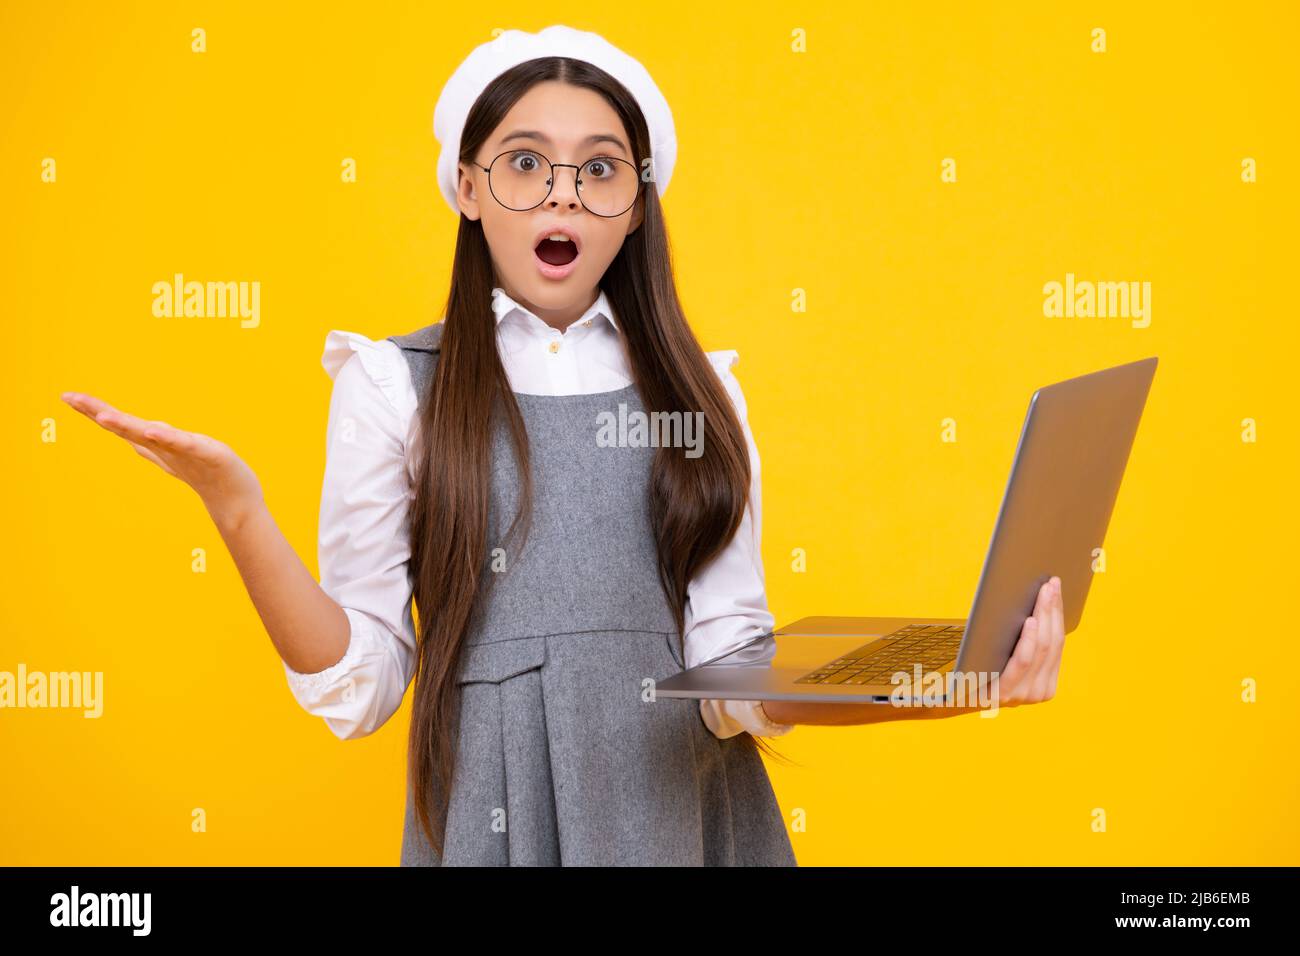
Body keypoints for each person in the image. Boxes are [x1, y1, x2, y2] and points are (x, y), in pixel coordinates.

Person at [60, 25, 1065, 866]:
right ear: (466, 185)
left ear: (634, 207)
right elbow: (360, 685)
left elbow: (735, 677)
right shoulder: (390, 385)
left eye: (599, 169)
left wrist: (944, 676)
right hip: (497, 818)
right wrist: (237, 510)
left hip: (690, 817)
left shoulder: (702, 391)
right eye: (525, 162)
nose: (562, 194)